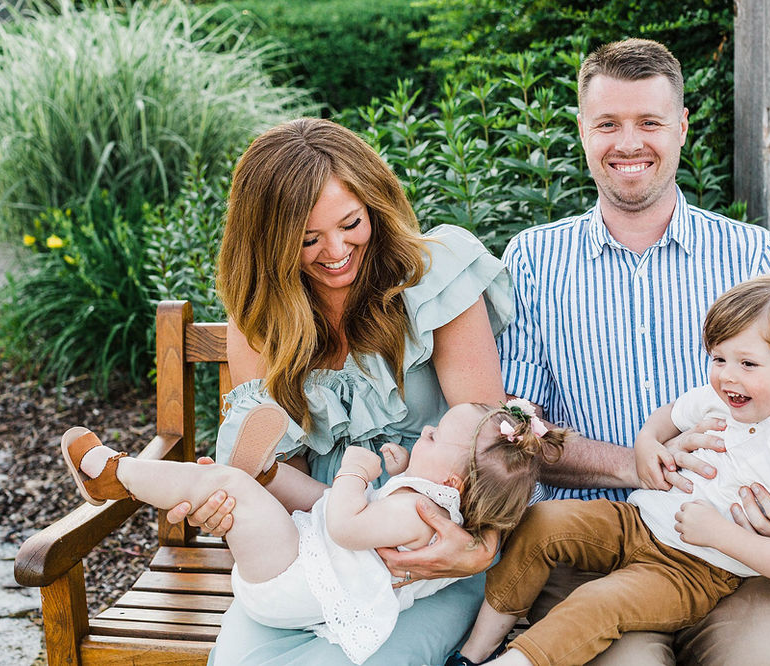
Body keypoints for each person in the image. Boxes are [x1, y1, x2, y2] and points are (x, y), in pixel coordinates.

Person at [490, 38, 770, 664]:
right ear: (581, 130)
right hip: (595, 549)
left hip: (739, 557)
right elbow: (519, 427)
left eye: (649, 122)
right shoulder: (534, 259)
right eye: (608, 124)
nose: (629, 143)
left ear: (681, 126)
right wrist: (640, 463)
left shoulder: (752, 255)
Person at [165, 117, 516, 665]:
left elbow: (487, 442)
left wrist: (478, 548)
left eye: (351, 223)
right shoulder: (261, 317)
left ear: (375, 205)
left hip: (430, 545)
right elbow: (290, 476)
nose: (335, 251)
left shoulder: (434, 276)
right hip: (314, 545)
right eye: (307, 240)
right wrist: (242, 502)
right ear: (270, 243)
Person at [450, 274, 770, 666]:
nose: (727, 375)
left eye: (747, 363)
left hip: (696, 567)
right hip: (637, 521)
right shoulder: (724, 399)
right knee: (543, 521)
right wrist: (647, 443)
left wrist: (722, 535)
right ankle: (477, 650)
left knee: (600, 601)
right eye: (718, 358)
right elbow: (669, 416)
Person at [61, 401, 565, 665]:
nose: (424, 433)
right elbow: (365, 515)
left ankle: (115, 476)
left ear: (452, 484)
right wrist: (402, 470)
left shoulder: (417, 513)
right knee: (300, 497)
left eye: (432, 437)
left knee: (231, 487)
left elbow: (345, 527)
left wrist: (354, 472)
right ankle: (267, 476)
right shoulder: (437, 509)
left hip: (294, 579)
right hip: (310, 568)